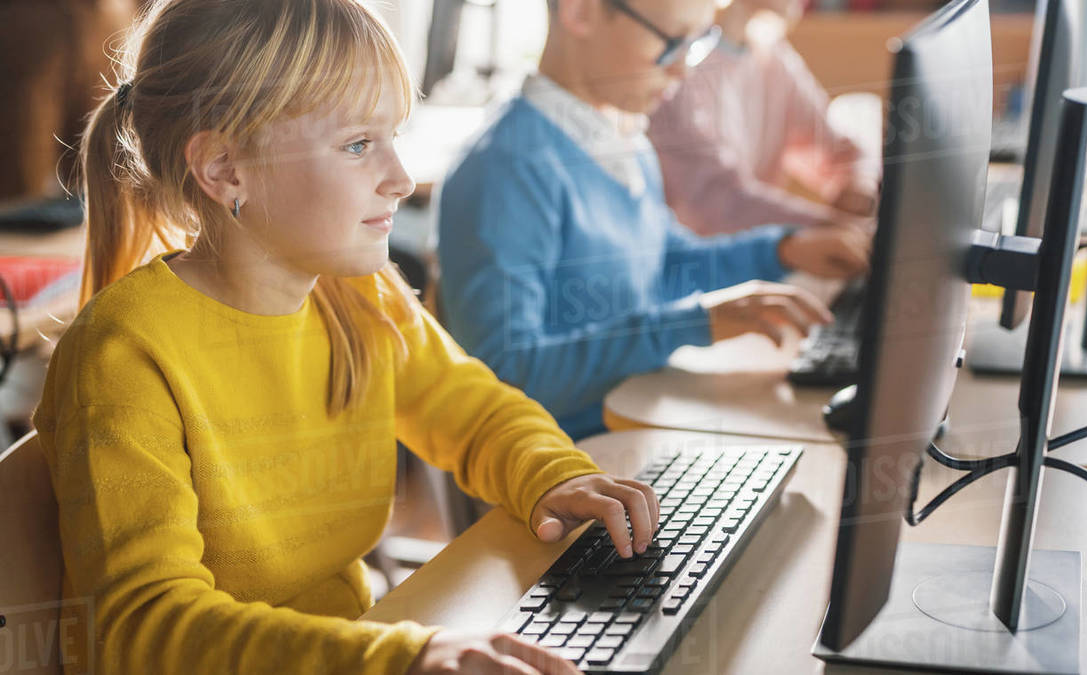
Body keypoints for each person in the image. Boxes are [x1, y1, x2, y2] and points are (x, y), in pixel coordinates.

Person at [34, 1, 658, 673]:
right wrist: (403, 655)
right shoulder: (125, 355)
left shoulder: (355, 294)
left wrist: (554, 474)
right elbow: (143, 626)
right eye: (359, 144)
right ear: (223, 170)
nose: (398, 175)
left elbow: (474, 409)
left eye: (392, 136)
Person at [438, 0, 871, 441]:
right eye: (670, 42)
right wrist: (689, 324)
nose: (683, 69)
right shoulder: (508, 169)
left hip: (637, 428)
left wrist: (781, 249)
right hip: (565, 474)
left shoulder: (623, 135)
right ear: (580, 12)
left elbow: (663, 262)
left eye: (697, 41)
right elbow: (506, 377)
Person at [647, 0, 879, 235]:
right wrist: (839, 230)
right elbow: (715, 207)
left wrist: (861, 183)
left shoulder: (767, 50)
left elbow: (834, 147)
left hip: (759, 259)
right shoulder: (678, 71)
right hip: (709, 264)